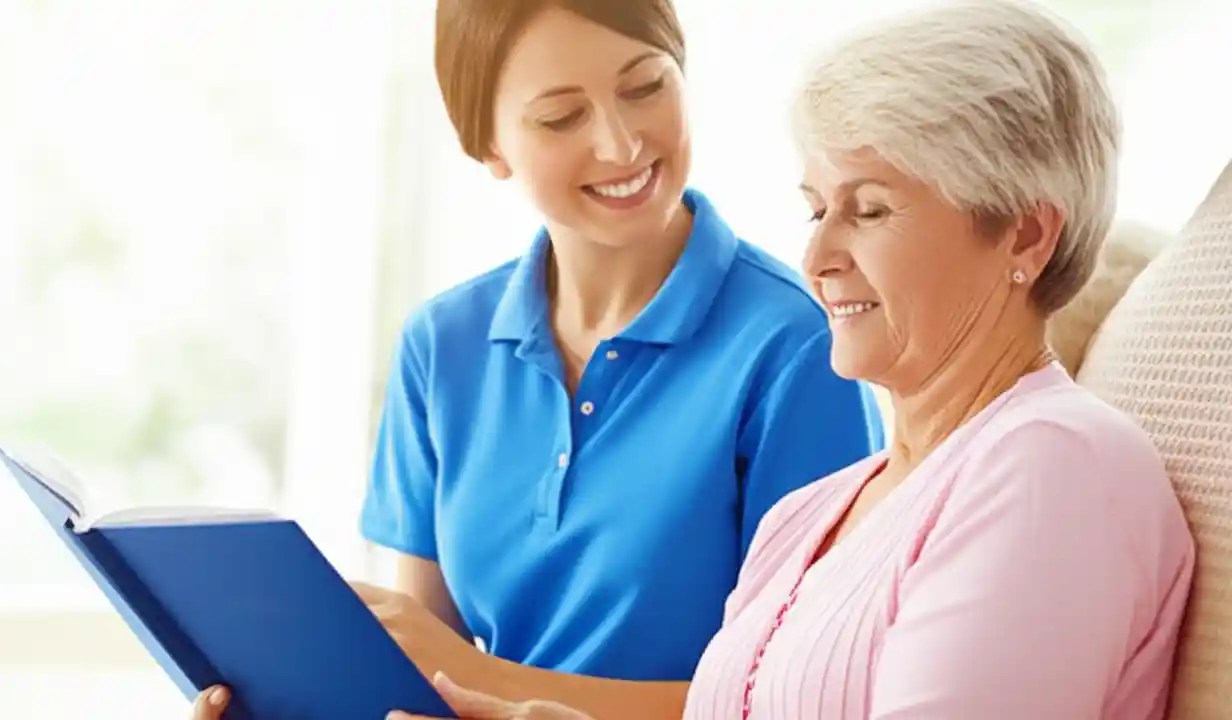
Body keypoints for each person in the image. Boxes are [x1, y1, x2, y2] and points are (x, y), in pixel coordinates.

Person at [209, 0, 1185, 718]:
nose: (814, 258)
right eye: (814, 208)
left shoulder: (1051, 466)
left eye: (870, 210)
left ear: (1023, 238)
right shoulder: (822, 513)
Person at [191, 0, 882, 718]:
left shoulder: (795, 346)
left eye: (646, 87)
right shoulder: (441, 346)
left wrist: (481, 678)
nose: (621, 145)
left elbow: (802, 700)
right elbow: (423, 691)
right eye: (561, 117)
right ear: (487, 145)